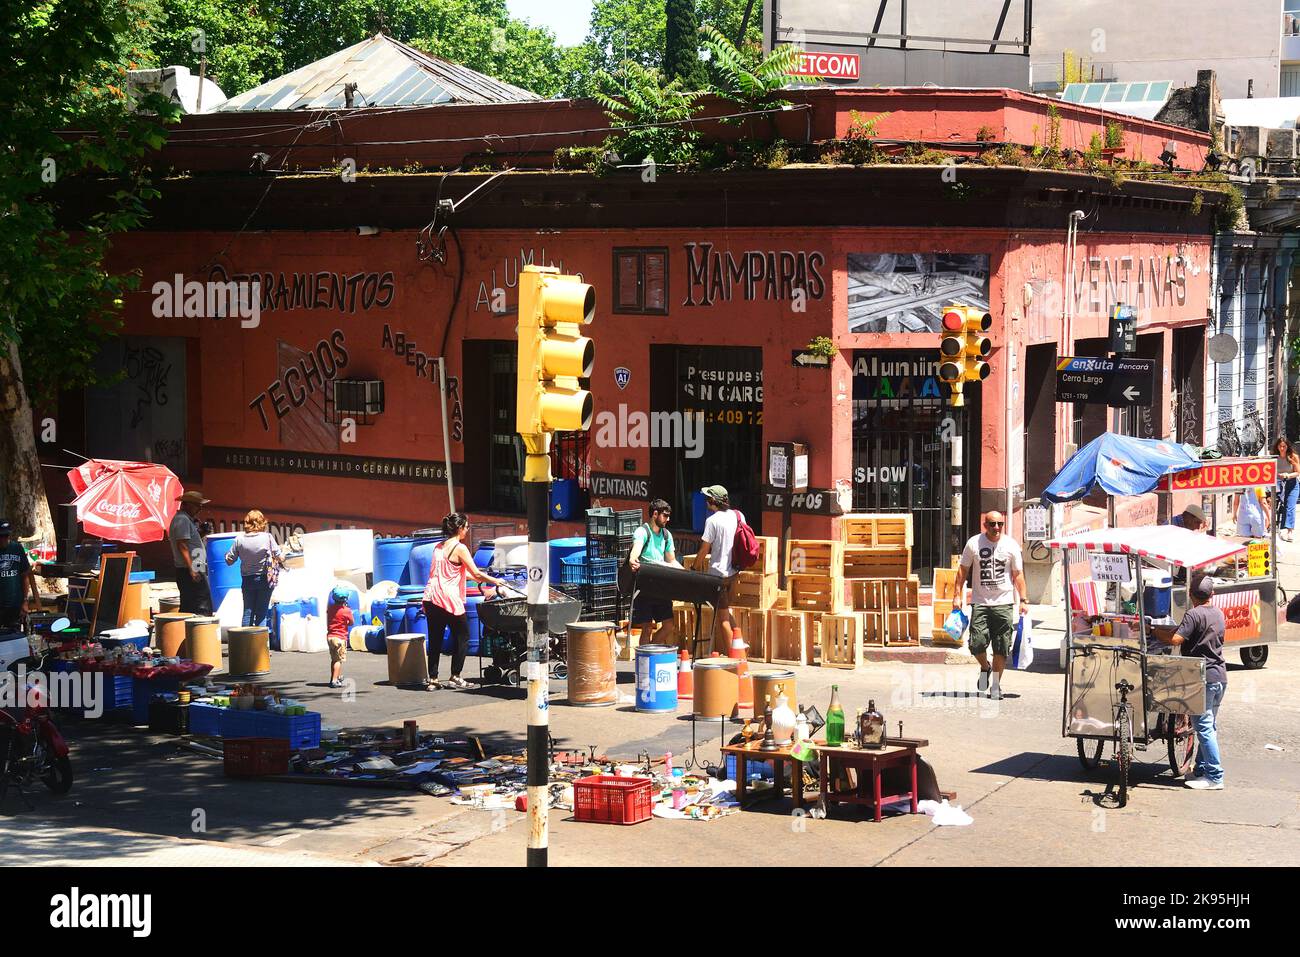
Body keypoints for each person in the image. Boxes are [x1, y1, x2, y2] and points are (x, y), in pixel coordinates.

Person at [1160, 575, 1228, 790]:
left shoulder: (1193, 614)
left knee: (1204, 727)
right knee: (1209, 726)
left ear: (1190, 595)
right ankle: (1200, 770)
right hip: (1220, 677)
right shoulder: (1218, 613)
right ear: (1212, 595)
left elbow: (1175, 640)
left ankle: (1215, 777)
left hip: (1203, 678)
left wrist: (1153, 631)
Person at [422, 512, 504, 690]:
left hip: (430, 597)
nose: (467, 530)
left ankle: (433, 680)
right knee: (463, 636)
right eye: (466, 527)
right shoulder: (460, 548)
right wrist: (495, 580)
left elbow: (456, 572)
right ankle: (455, 676)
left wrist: (482, 579)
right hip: (447, 598)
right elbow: (474, 573)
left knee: (435, 638)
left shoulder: (438, 547)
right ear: (460, 528)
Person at [954, 510, 1028, 701]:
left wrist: (1024, 600)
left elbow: (1018, 575)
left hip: (1004, 603)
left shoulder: (1011, 545)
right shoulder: (973, 543)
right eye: (992, 524)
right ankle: (985, 667)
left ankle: (995, 685)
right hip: (980, 602)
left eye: (1000, 524)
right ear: (985, 525)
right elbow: (963, 571)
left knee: (1001, 647)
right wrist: (957, 596)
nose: (996, 528)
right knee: (976, 643)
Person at [692, 485, 741, 654]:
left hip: (718, 575)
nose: (706, 501)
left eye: (708, 498)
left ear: (713, 501)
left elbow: (705, 549)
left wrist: (695, 567)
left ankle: (734, 656)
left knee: (722, 619)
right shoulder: (738, 515)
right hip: (734, 573)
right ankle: (741, 644)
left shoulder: (712, 521)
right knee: (726, 611)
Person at [628, 498, 680, 649]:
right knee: (647, 628)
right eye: (665, 515)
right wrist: (632, 559)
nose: (668, 519)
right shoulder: (642, 532)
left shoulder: (666, 535)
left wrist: (686, 574)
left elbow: (671, 561)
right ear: (655, 514)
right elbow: (635, 552)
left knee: (668, 625)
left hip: (661, 587)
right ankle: (645, 660)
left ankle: (648, 653)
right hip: (644, 588)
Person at [224, 509, 282, 627]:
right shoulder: (267, 537)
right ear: (261, 523)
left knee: (247, 612)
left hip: (247, 580)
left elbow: (229, 561)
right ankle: (260, 644)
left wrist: (226, 555)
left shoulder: (239, 539)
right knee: (261, 613)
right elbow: (280, 557)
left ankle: (246, 644)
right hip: (265, 579)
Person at [169, 490, 212, 615]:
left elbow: (189, 542)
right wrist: (192, 569)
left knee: (191, 603)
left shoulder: (187, 520)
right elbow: (182, 545)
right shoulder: (182, 520)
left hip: (195, 566)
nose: (200, 508)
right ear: (187, 505)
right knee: (201, 604)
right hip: (191, 568)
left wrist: (202, 533)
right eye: (197, 505)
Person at [0, 521, 40, 631]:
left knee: (14, 637)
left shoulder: (17, 549)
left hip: (15, 605)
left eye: (6, 535)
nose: (4, 539)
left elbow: (25, 576)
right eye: (1, 536)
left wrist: (25, 601)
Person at [325, 586, 353, 689]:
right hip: (340, 638)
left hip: (330, 636)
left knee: (334, 659)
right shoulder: (346, 611)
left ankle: (335, 676)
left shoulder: (330, 608)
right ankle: (334, 681)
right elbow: (351, 622)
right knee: (338, 660)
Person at [1275, 436, 1300, 541]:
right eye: (1280, 446)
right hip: (1278, 483)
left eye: (1284, 446)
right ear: (1277, 447)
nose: (1282, 448)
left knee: (1290, 506)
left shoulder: (1293, 457)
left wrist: (1288, 475)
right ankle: (1278, 528)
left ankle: (1289, 531)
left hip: (1292, 483)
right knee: (1279, 506)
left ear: (1287, 446)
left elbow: (1298, 472)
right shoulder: (1274, 458)